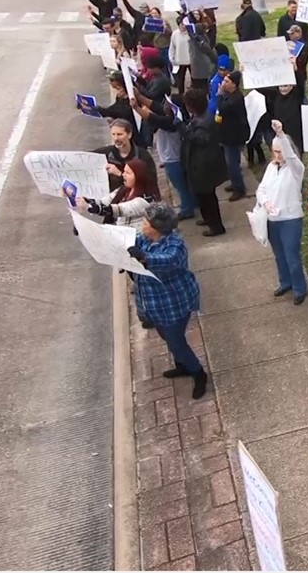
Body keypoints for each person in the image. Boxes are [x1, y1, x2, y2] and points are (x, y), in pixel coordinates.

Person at [127, 204, 210, 400]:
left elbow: (168, 260)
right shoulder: (144, 239)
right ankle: (182, 365)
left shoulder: (175, 245)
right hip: (154, 305)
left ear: (157, 227)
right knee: (167, 338)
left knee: (177, 342)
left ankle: (198, 373)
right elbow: (125, 242)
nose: (142, 226)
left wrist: (144, 258)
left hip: (174, 304)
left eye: (145, 222)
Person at [257, 121, 308, 305]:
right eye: (274, 151)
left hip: (290, 220)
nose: (277, 155)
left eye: (280, 152)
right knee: (279, 254)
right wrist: (266, 202)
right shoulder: (271, 168)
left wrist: (280, 135)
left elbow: (292, 157)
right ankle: (285, 282)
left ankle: (299, 288)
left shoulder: (296, 169)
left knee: (291, 255)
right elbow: (261, 189)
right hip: (272, 219)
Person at [133, 92, 195, 220]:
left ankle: (187, 209)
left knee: (180, 186)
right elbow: (156, 107)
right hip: (174, 157)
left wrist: (137, 108)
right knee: (184, 184)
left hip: (173, 159)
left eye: (168, 103)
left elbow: (152, 118)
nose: (165, 104)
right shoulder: (175, 117)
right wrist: (139, 96)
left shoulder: (171, 122)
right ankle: (192, 203)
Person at [180, 88, 227, 236]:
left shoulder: (205, 122)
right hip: (200, 165)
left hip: (203, 166)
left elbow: (201, 139)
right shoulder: (200, 117)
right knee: (203, 196)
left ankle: (216, 226)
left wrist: (183, 129)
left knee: (207, 197)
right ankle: (208, 219)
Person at [92, 118, 157, 195]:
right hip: (113, 199)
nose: (116, 138)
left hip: (136, 200)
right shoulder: (106, 153)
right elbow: (84, 157)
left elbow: (150, 183)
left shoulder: (142, 156)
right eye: (113, 134)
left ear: (129, 134)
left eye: (119, 134)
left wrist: (120, 174)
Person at [215, 71, 249, 202]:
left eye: (227, 82)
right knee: (230, 161)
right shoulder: (230, 95)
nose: (223, 83)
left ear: (234, 84)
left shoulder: (235, 99)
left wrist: (219, 93)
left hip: (234, 136)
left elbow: (222, 107)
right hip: (227, 133)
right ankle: (235, 183)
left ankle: (239, 189)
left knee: (232, 163)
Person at [187, 11, 219, 103]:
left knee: (197, 88)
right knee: (204, 89)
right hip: (203, 69)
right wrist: (216, 60)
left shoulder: (192, 40)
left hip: (195, 69)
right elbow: (209, 52)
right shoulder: (201, 41)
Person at [265, 84, 305, 156]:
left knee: (295, 156)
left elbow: (300, 80)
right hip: (280, 133)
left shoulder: (297, 95)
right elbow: (260, 88)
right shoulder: (275, 94)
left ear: (292, 85)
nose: (283, 89)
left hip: (295, 135)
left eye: (286, 86)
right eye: (281, 86)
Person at [169, 14, 191, 93]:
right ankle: (181, 96)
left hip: (190, 60)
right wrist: (172, 58)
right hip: (180, 61)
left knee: (194, 79)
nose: (184, 26)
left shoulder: (190, 33)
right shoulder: (175, 34)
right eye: (182, 24)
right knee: (180, 80)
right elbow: (172, 47)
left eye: (185, 24)